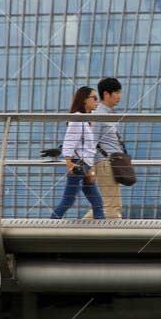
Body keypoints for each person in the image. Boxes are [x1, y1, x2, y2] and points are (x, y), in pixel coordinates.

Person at [51, 85, 105, 219]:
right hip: (77, 165)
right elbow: (70, 141)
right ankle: (48, 226)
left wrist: (91, 169)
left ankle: (103, 234)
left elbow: (88, 148)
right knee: (68, 201)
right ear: (84, 100)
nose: (97, 101)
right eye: (94, 98)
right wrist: (69, 163)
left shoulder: (86, 120)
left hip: (85, 166)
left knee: (97, 202)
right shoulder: (77, 118)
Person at [80, 76, 125, 220]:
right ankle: (111, 237)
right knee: (112, 206)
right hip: (105, 163)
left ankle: (76, 231)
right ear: (106, 94)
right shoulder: (99, 114)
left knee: (106, 205)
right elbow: (91, 141)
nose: (119, 96)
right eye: (117, 92)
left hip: (112, 163)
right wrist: (91, 166)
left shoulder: (109, 113)